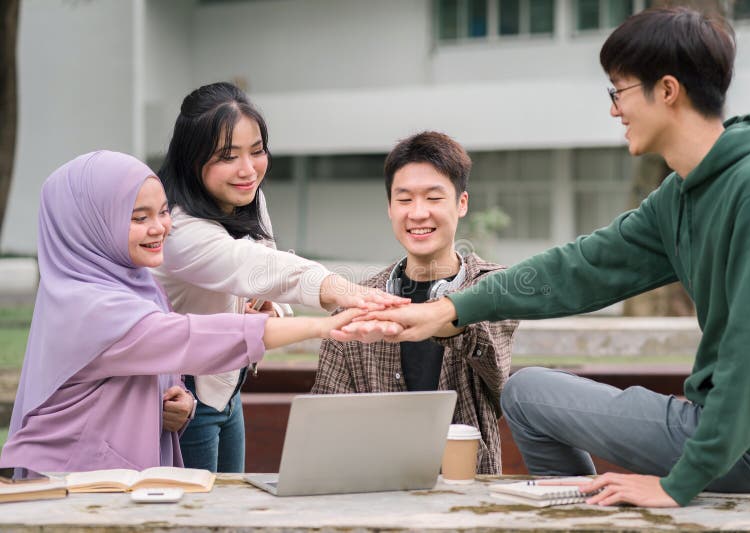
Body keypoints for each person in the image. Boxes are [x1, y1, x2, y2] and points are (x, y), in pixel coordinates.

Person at [336, 7, 750, 507]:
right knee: (528, 394)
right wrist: (450, 309)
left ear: (667, 91)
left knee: (527, 394)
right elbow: (579, 268)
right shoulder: (683, 195)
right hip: (735, 432)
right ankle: (582, 510)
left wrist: (678, 483)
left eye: (618, 91)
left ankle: (579, 514)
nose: (613, 110)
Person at [0, 151, 363, 473]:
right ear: (90, 227)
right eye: (139, 218)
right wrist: (324, 326)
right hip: (69, 490)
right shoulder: (89, 308)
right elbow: (186, 338)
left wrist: (181, 401)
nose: (159, 228)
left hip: (113, 485)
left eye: (161, 212)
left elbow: (155, 367)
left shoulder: (138, 285)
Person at [152, 82, 405, 473]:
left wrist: (274, 312)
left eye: (257, 151)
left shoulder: (245, 197)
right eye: (227, 156)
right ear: (191, 158)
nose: (248, 169)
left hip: (227, 389)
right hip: (183, 399)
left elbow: (267, 270)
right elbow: (261, 268)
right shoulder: (178, 230)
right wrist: (344, 290)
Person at [311, 132, 518, 474]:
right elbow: (325, 415)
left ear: (461, 203)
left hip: (467, 487)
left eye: (434, 198)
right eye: (404, 200)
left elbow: (489, 353)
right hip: (376, 487)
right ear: (389, 208)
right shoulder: (357, 304)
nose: (418, 214)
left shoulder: (493, 288)